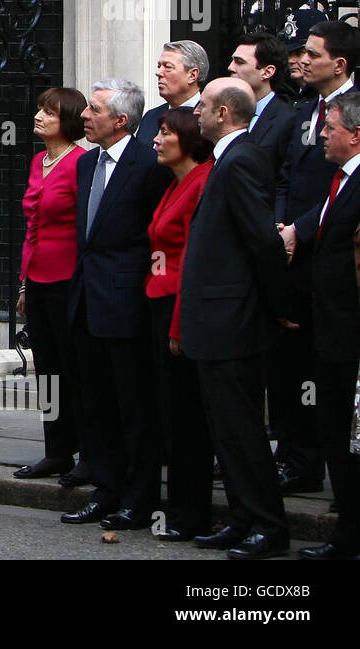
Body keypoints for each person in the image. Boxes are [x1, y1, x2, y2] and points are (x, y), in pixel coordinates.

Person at [180, 78, 291, 559]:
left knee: (242, 431)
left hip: (233, 319)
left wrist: (278, 306)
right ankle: (243, 518)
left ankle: (268, 525)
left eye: (203, 105)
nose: (196, 113)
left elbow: (262, 241)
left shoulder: (242, 158)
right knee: (225, 430)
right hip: (215, 318)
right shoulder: (227, 157)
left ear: (223, 112)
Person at [60, 79, 170, 530]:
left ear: (120, 121)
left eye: (94, 109)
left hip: (126, 303)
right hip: (87, 299)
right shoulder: (86, 163)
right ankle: (104, 491)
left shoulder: (150, 165)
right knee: (97, 405)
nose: (84, 115)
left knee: (133, 407)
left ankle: (138, 500)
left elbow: (154, 236)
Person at [272, 19, 358, 496]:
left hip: (333, 260)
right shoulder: (304, 110)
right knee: (291, 364)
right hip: (294, 258)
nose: (300, 58)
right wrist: (282, 227)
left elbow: (342, 185)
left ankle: (338, 471)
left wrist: (300, 229)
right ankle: (296, 457)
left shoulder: (355, 112)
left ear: (338, 64)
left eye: (311, 52)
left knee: (331, 373)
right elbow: (287, 176)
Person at [278, 93, 360, 559]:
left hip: (348, 334)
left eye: (331, 128)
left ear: (356, 134)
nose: (321, 134)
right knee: (334, 433)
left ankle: (348, 538)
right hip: (330, 330)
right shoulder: (337, 180)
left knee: (346, 436)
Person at [145, 109, 215, 541]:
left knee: (188, 419)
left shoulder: (202, 182)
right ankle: (179, 508)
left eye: (166, 133)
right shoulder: (175, 183)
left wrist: (177, 327)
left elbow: (190, 261)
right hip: (159, 302)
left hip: (179, 309)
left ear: (187, 140)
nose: (156, 140)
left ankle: (192, 514)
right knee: (172, 414)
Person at [12, 88, 88, 484]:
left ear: (69, 121)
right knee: (48, 373)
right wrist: (24, 284)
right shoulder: (38, 160)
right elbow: (32, 227)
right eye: (39, 109)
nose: (39, 116)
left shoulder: (81, 162)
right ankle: (57, 450)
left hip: (69, 278)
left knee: (75, 368)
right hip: (39, 278)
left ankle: (89, 452)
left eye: (50, 112)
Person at [228, 31, 295, 165]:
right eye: (232, 60)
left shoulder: (287, 120)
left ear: (267, 72)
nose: (230, 67)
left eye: (239, 62)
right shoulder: (225, 112)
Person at [136, 40, 209, 145]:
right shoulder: (151, 117)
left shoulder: (207, 118)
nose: (158, 73)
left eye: (168, 67)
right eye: (159, 66)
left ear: (192, 75)